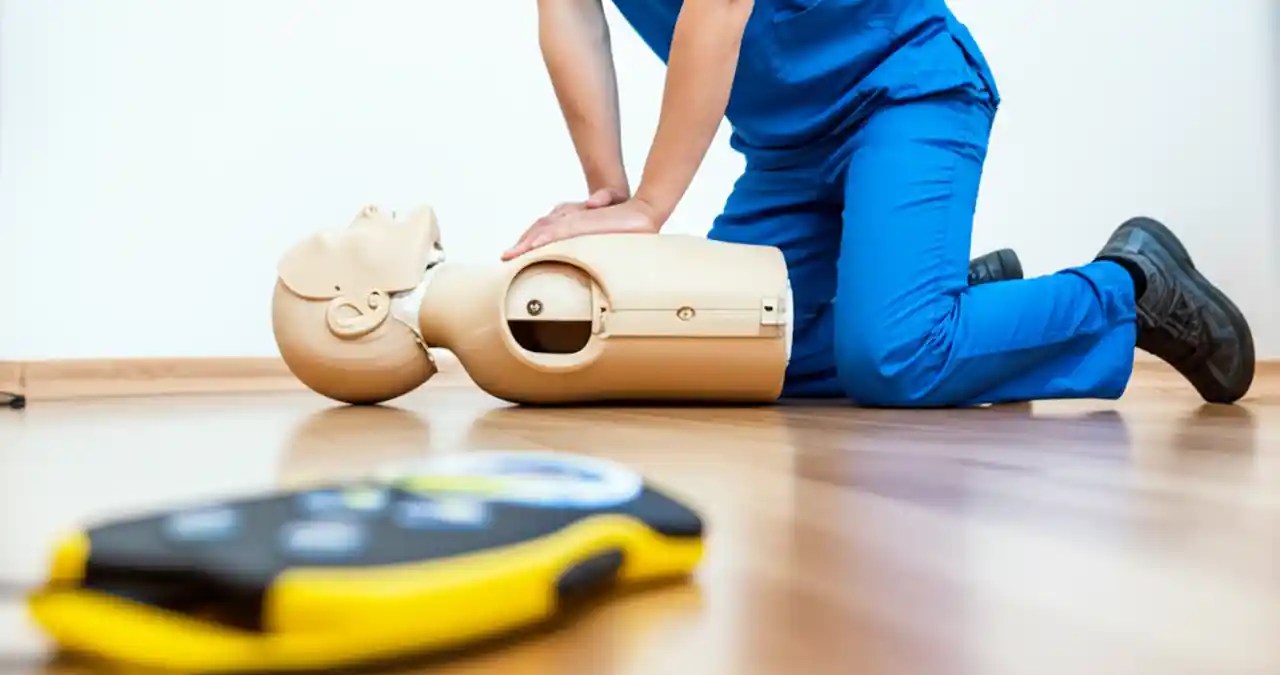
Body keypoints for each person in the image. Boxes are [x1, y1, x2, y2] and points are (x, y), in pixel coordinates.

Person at [503, 0, 1254, 406]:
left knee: (894, 361)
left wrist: (651, 207)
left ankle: (1134, 288)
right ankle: (944, 305)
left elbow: (722, 5)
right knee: (727, 350)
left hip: (904, 94)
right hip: (785, 148)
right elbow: (568, 13)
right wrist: (611, 194)